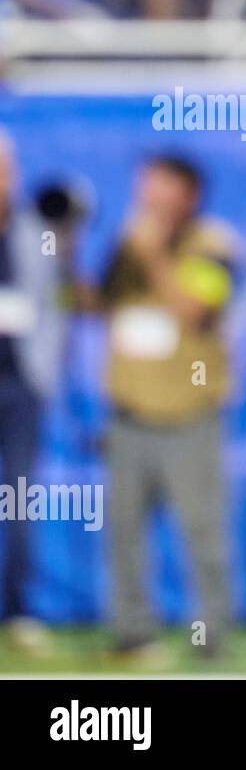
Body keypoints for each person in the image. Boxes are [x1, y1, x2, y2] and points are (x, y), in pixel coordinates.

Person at [99, 154, 238, 662]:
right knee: (124, 533)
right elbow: (101, 304)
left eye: (160, 187)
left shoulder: (215, 245)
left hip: (189, 415)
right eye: (145, 185)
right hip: (129, 413)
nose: (148, 197)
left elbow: (195, 311)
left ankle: (211, 638)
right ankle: (132, 635)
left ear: (189, 195)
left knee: (202, 532)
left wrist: (154, 252)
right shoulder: (128, 242)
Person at [0, 131, 64, 656]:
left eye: (5, 170)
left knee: (20, 502)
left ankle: (20, 609)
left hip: (21, 386)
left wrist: (44, 374)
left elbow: (52, 307)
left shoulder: (33, 231)